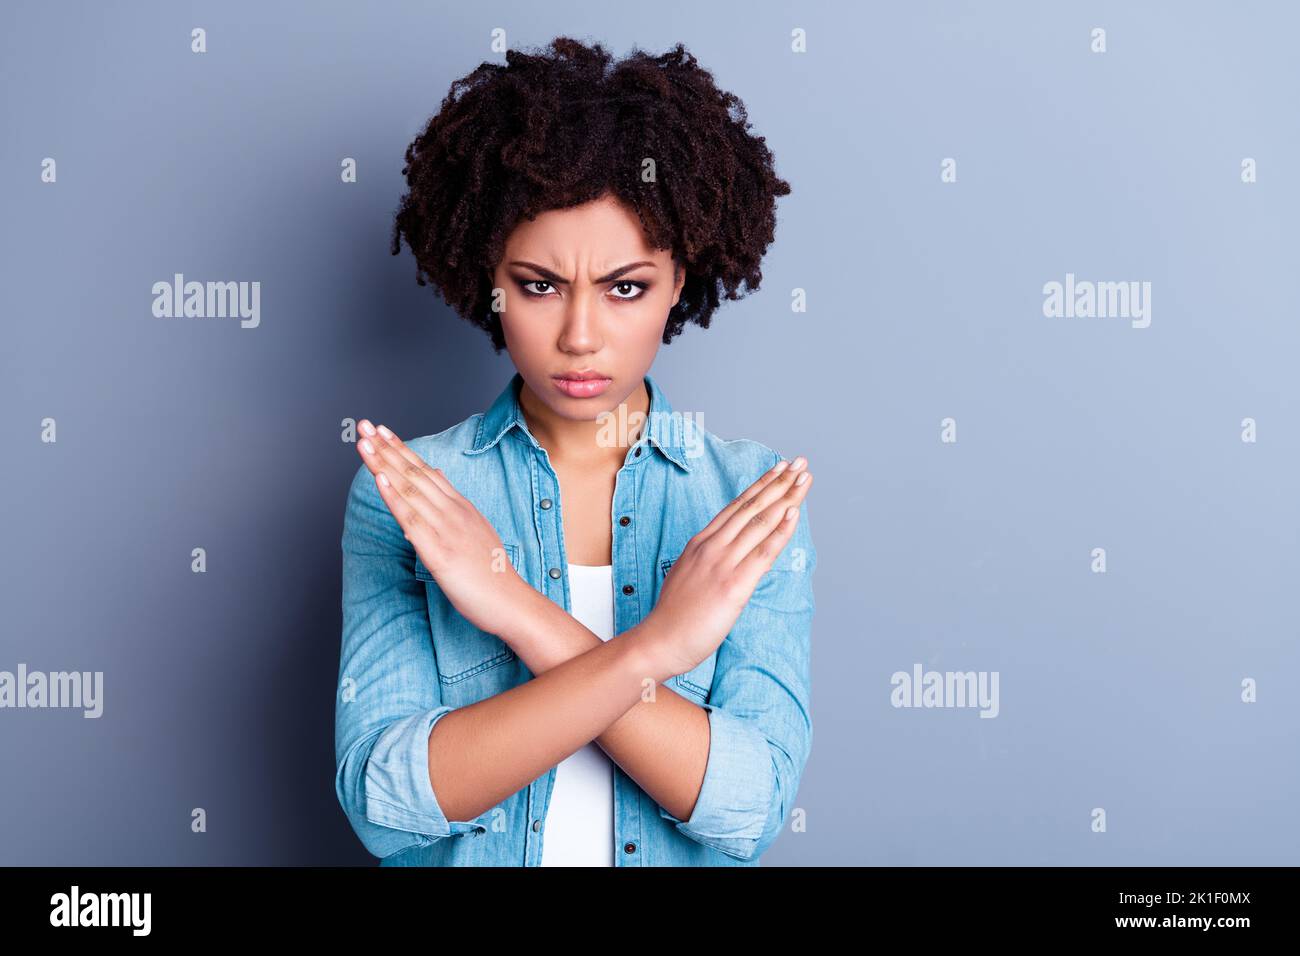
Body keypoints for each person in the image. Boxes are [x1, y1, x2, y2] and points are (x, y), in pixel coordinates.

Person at [334, 36, 817, 867]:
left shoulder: (747, 503)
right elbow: (388, 806)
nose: (580, 336)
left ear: (678, 284)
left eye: (625, 287)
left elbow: (747, 810)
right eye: (539, 285)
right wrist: (653, 652)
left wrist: (515, 609)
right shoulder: (410, 494)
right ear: (486, 276)